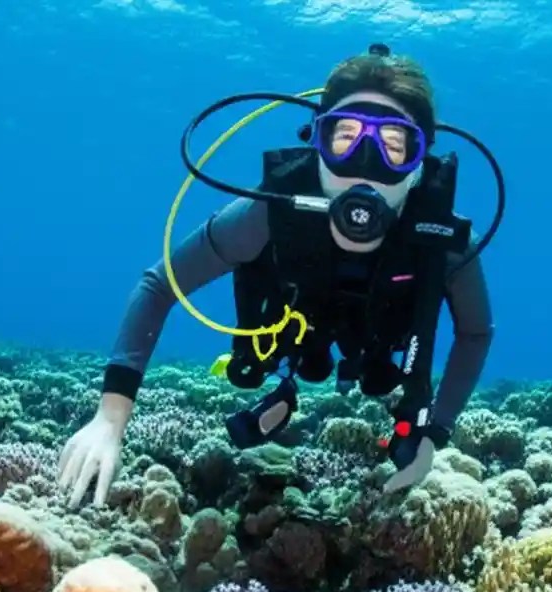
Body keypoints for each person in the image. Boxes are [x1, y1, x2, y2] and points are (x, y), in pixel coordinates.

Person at [57, 44, 500, 509]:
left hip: (385, 343)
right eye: (344, 138)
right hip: (296, 325)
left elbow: (475, 332)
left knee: (378, 377)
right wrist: (110, 417)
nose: (363, 166)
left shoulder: (442, 241)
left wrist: (435, 431)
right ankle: (288, 380)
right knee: (296, 363)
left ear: (419, 164)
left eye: (393, 146)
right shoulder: (266, 215)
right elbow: (159, 283)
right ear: (317, 143)